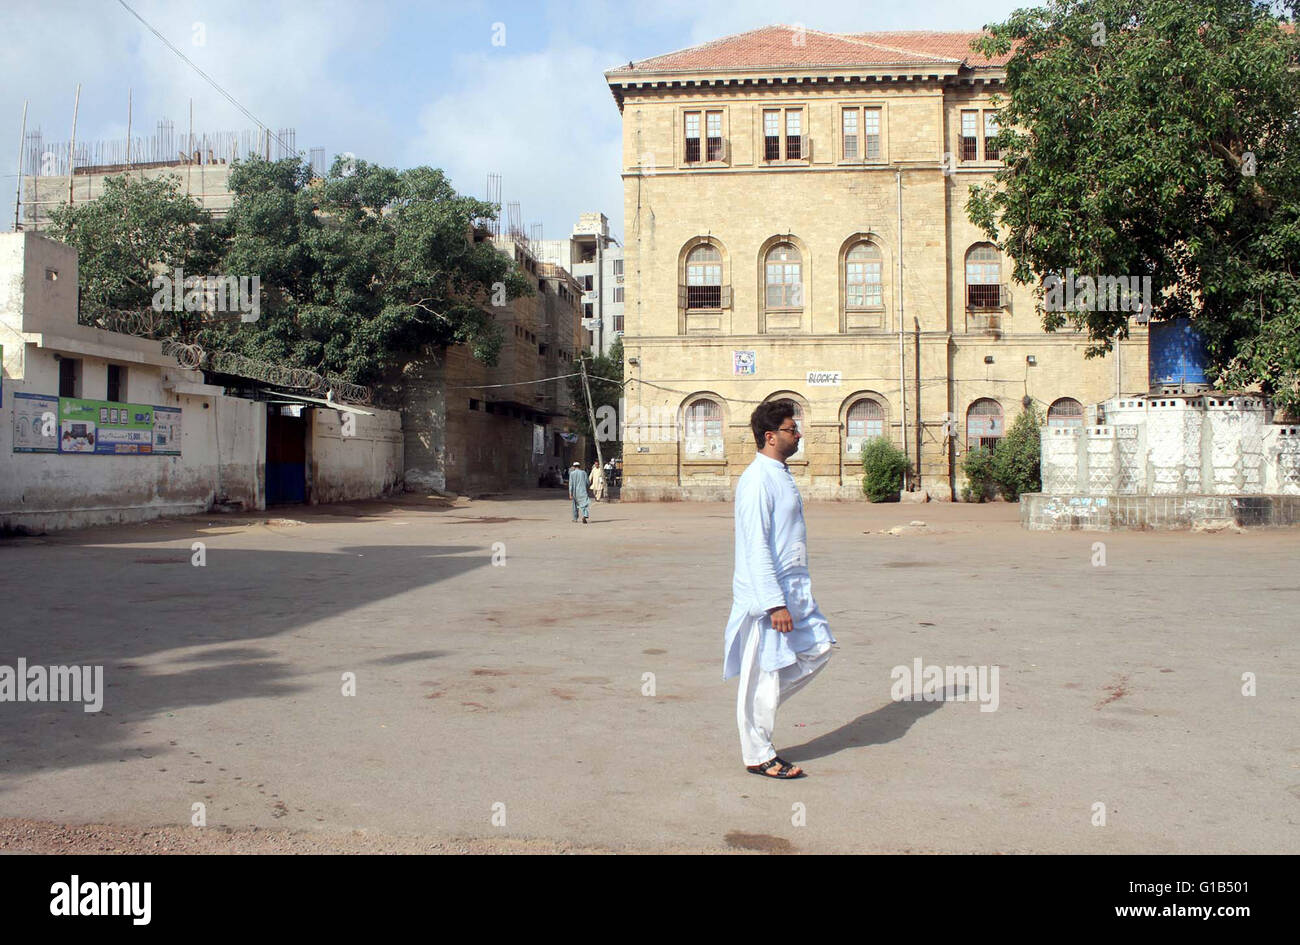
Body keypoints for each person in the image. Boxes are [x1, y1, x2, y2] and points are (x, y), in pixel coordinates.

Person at [723, 401, 835, 779]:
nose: (798, 434)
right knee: (762, 675)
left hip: (796, 590)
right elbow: (756, 546)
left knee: (819, 648)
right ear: (770, 437)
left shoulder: (780, 474)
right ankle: (758, 754)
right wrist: (774, 604)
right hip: (766, 599)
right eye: (791, 429)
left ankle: (758, 708)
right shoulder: (757, 480)